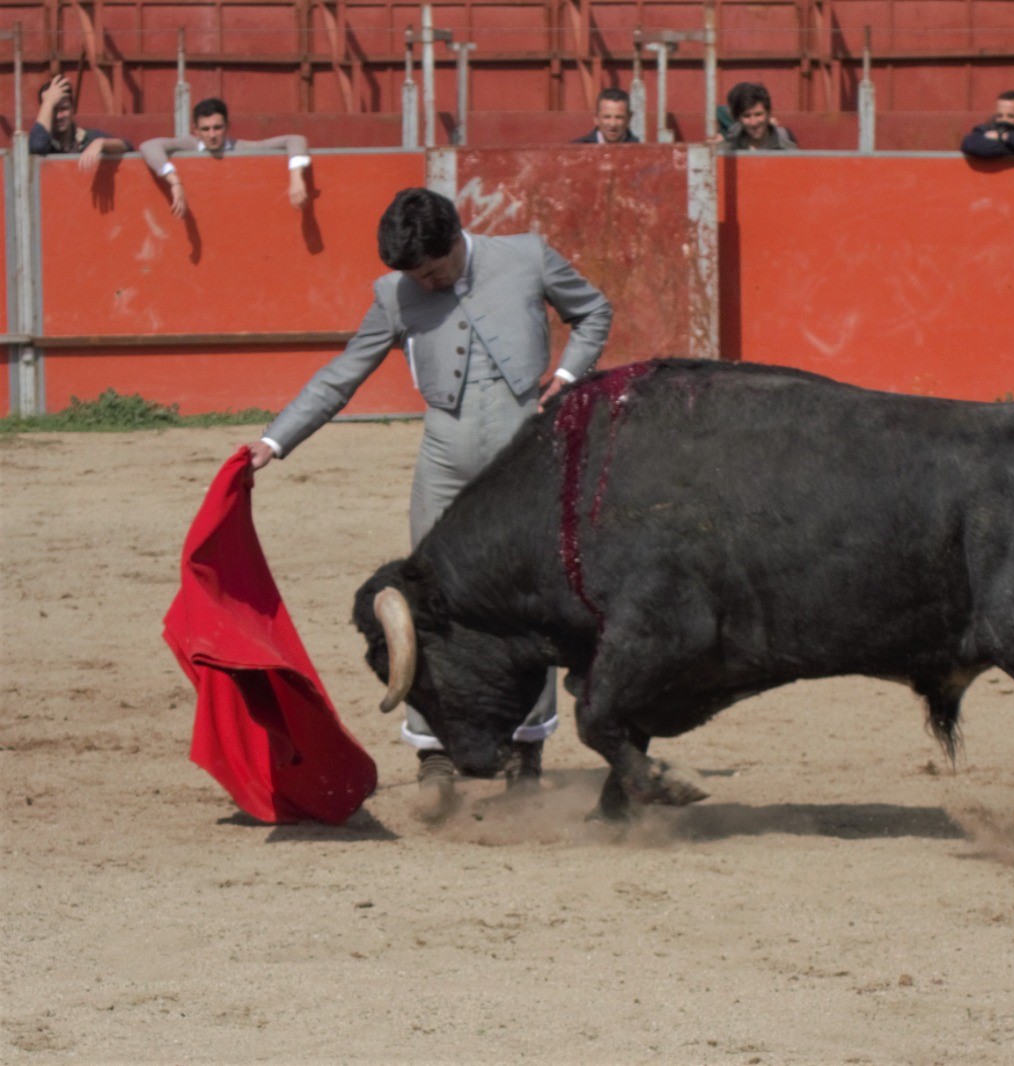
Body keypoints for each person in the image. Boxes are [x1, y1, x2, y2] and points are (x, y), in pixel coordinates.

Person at [245, 188, 613, 819]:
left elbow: (594, 312)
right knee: (420, 609)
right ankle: (433, 755)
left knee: (532, 605)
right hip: (444, 465)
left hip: (527, 466)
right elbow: (343, 373)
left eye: (434, 270)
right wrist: (275, 441)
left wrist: (572, 374)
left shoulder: (525, 257)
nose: (427, 283)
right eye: (415, 276)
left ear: (455, 236)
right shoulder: (395, 295)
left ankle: (524, 756)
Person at [139, 97, 312, 219]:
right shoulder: (189, 144)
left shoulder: (241, 147)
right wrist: (174, 181)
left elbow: (296, 139)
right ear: (196, 131)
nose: (212, 135)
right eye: (205, 129)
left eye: (217, 127)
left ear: (227, 126)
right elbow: (148, 146)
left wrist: (296, 178)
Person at [28, 75, 133, 170]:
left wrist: (102, 143)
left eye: (64, 109)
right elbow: (38, 146)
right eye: (53, 110)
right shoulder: (43, 142)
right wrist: (48, 102)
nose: (59, 116)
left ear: (73, 109)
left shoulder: (87, 139)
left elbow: (127, 147)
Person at [722, 82, 798, 151]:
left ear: (768, 113)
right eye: (746, 116)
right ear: (738, 118)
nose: (753, 123)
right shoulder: (727, 151)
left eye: (758, 114)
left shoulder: (787, 149)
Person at [573, 87, 640, 144]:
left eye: (619, 117)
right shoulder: (576, 150)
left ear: (629, 118)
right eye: (607, 117)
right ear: (596, 118)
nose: (613, 124)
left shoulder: (640, 151)